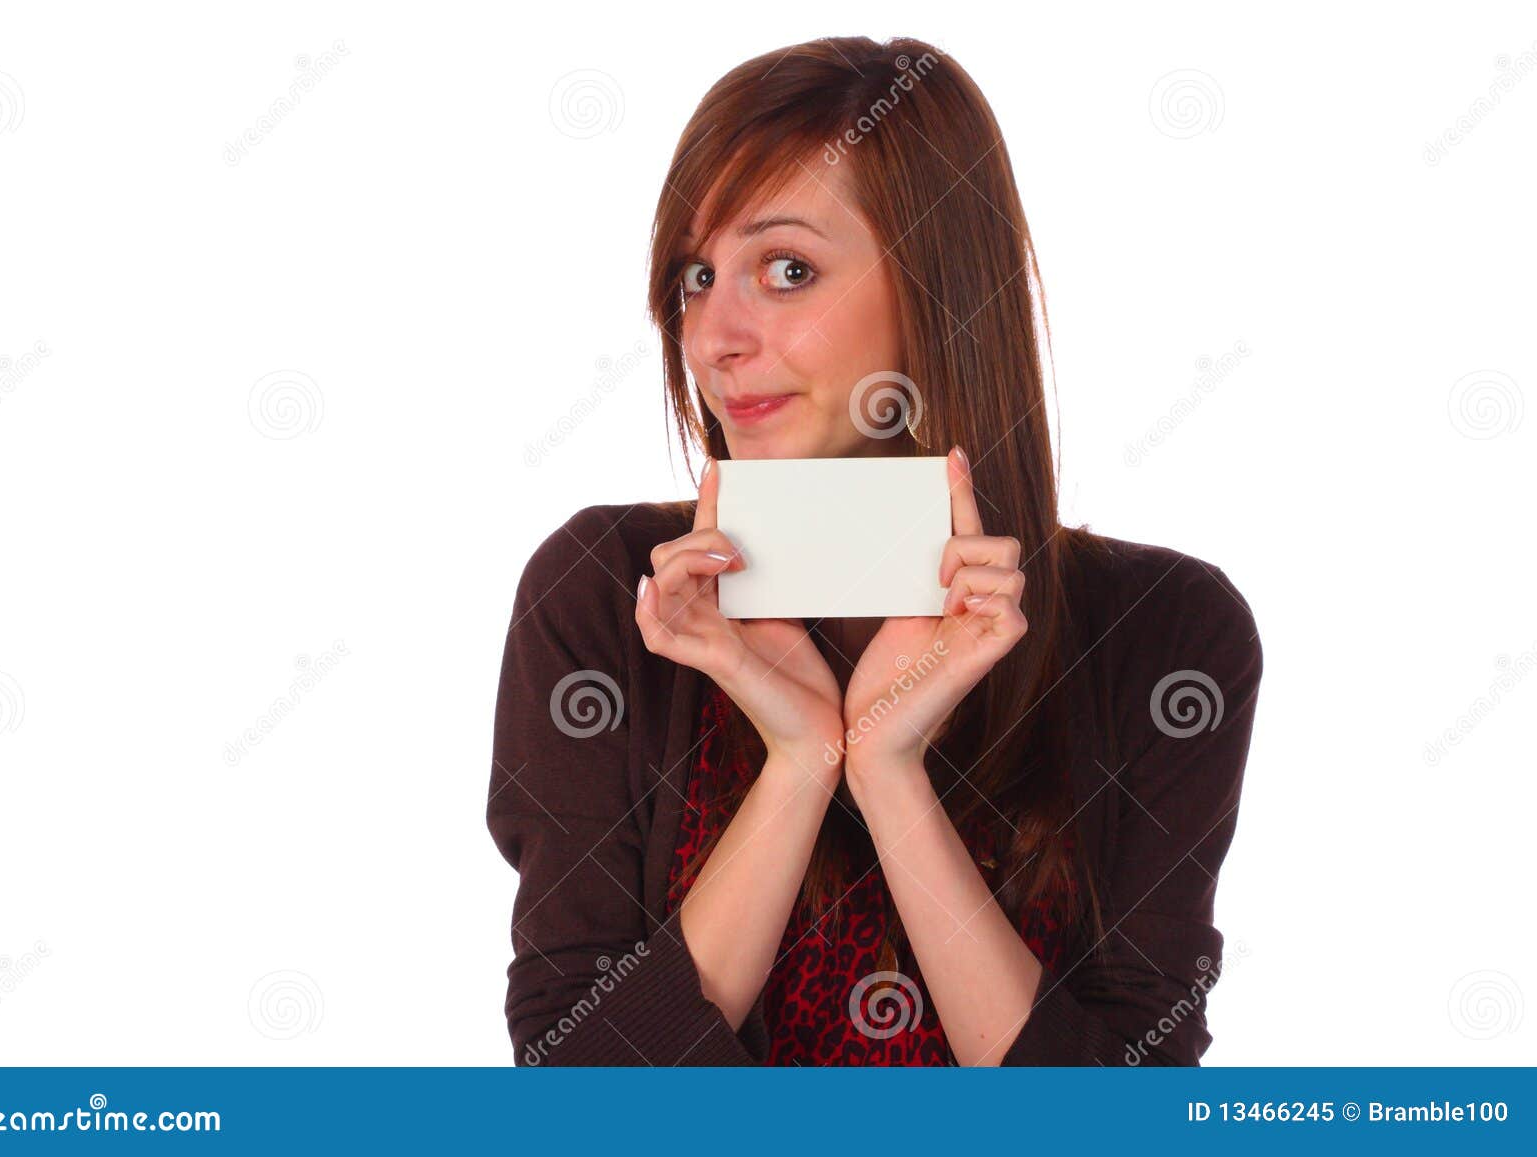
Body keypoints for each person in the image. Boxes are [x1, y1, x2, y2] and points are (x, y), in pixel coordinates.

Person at [488, 34, 1264, 1066]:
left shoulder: (1165, 630)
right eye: (695, 275)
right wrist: (802, 761)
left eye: (787, 269)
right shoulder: (603, 591)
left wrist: (889, 770)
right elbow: (575, 1093)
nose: (714, 334)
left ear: (938, 291)